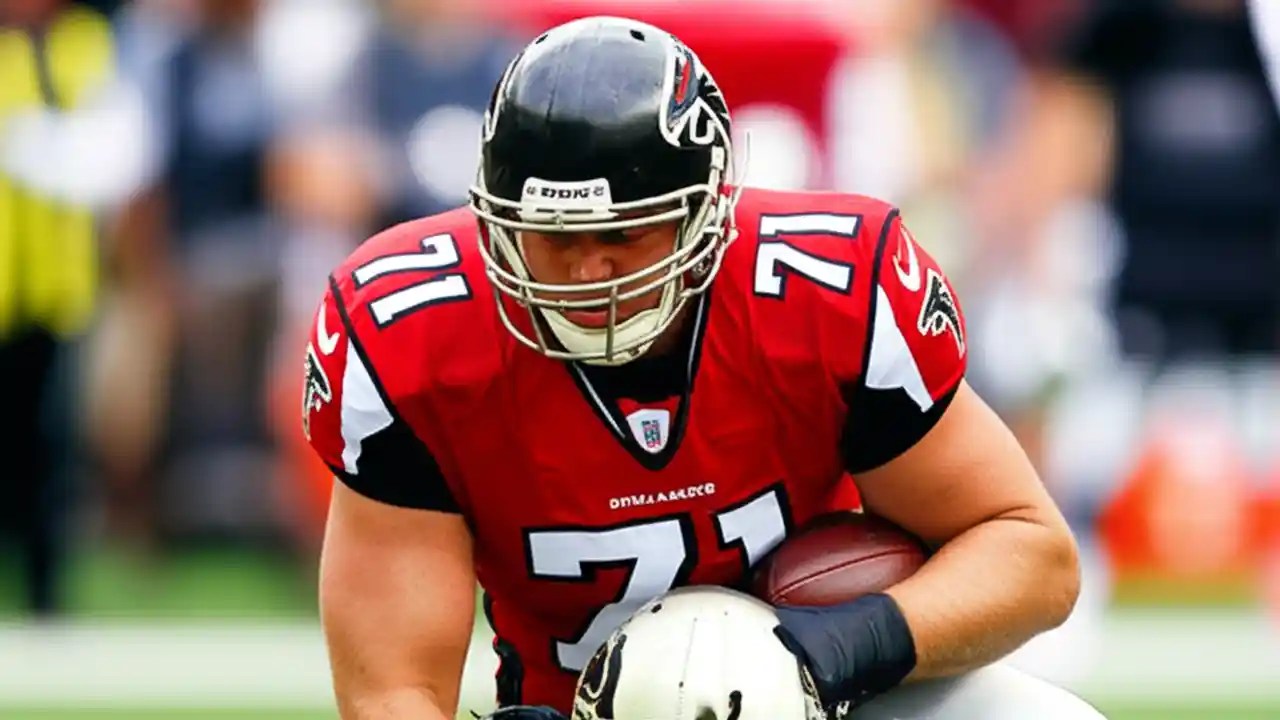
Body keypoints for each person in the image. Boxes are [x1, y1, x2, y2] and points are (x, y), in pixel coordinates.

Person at [304, 16, 1095, 720]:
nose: (588, 273)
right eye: (554, 236)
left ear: (705, 210)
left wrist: (843, 645)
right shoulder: (412, 339)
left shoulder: (828, 295)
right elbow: (391, 690)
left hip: (835, 701)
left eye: (625, 233)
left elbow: (1031, 551)